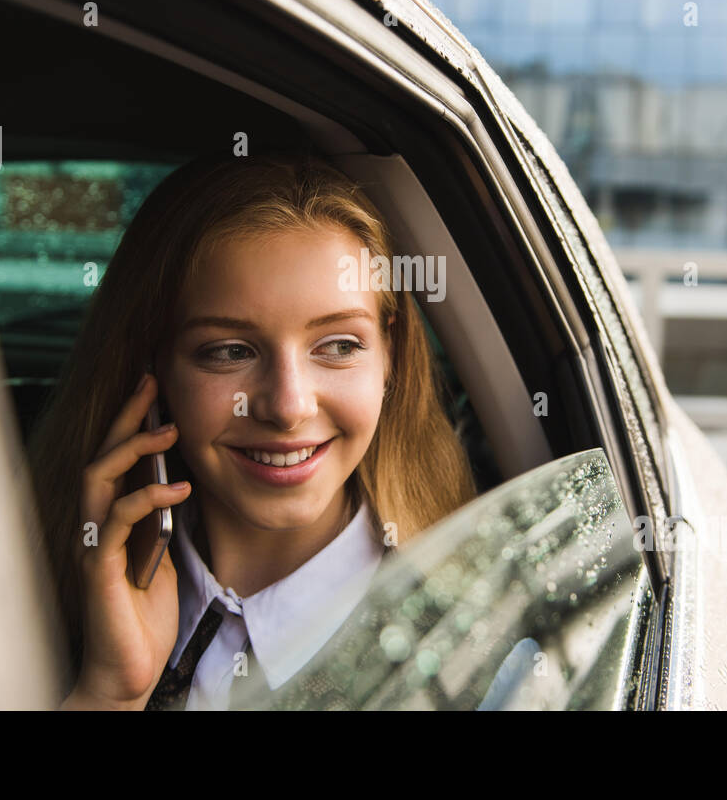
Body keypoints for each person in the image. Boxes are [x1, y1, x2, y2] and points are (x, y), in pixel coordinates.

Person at [27, 150, 476, 710]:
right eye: (229, 351)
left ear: (390, 355)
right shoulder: (26, 609)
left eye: (338, 346)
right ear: (153, 366)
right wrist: (110, 696)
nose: (288, 406)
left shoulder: (474, 651)